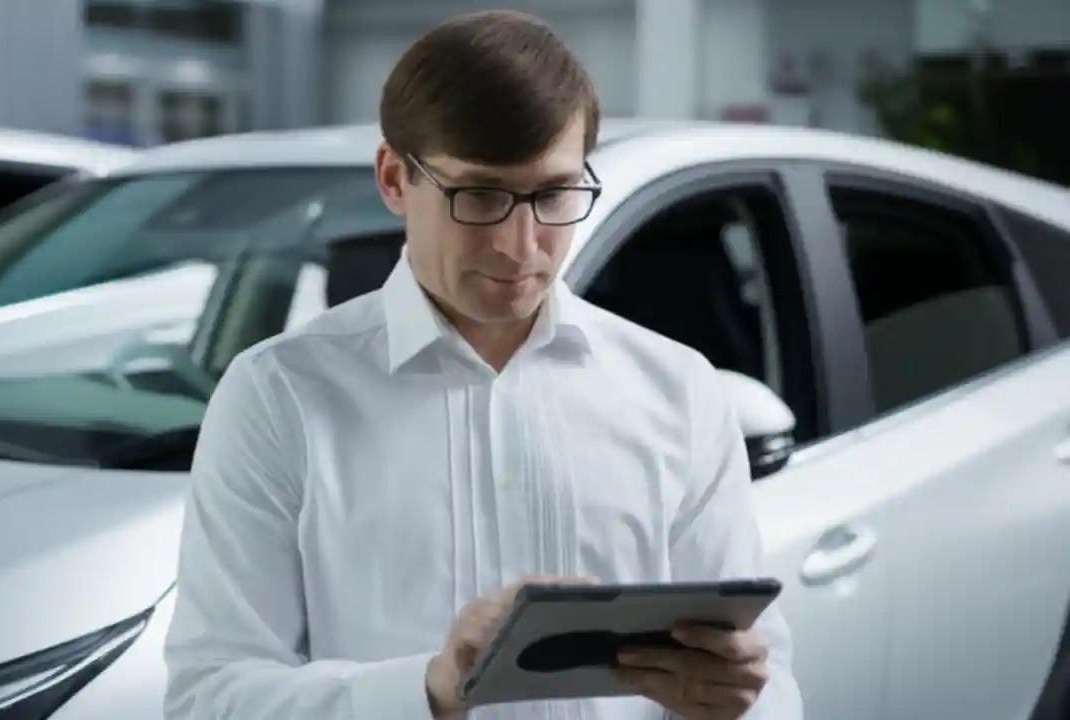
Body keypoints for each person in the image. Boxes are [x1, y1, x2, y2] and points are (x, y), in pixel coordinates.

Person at [163, 9, 802, 720]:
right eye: (481, 196)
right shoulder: (278, 399)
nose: (519, 245)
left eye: (553, 195)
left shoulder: (679, 392)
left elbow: (770, 689)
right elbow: (208, 701)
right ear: (394, 179)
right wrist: (428, 688)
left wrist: (739, 703)